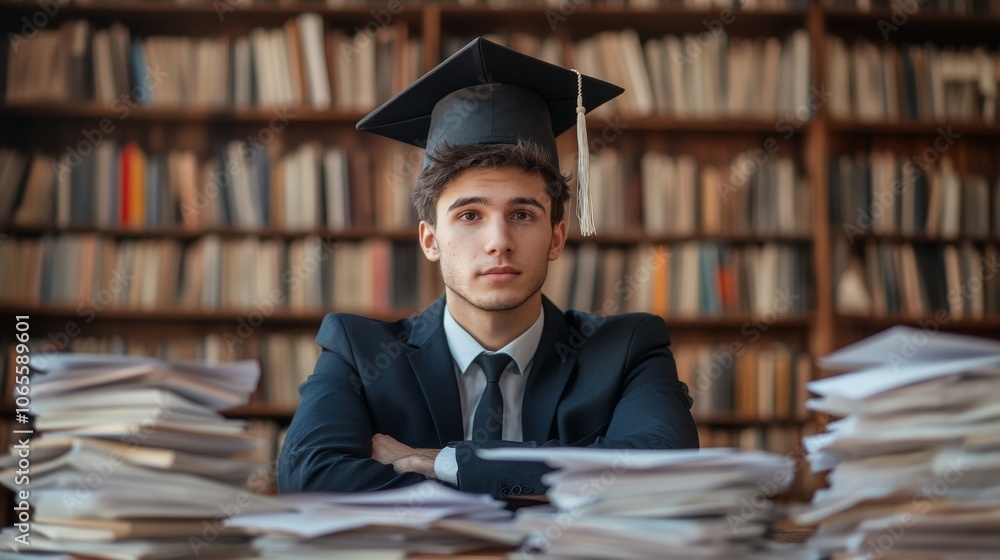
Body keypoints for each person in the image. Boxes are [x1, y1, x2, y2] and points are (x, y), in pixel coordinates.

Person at [278, 37, 698, 499]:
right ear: (431, 240)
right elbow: (309, 478)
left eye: (522, 214)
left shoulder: (626, 351)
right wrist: (560, 479)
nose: (499, 242)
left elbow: (664, 468)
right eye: (469, 216)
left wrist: (440, 462)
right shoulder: (358, 351)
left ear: (557, 237)